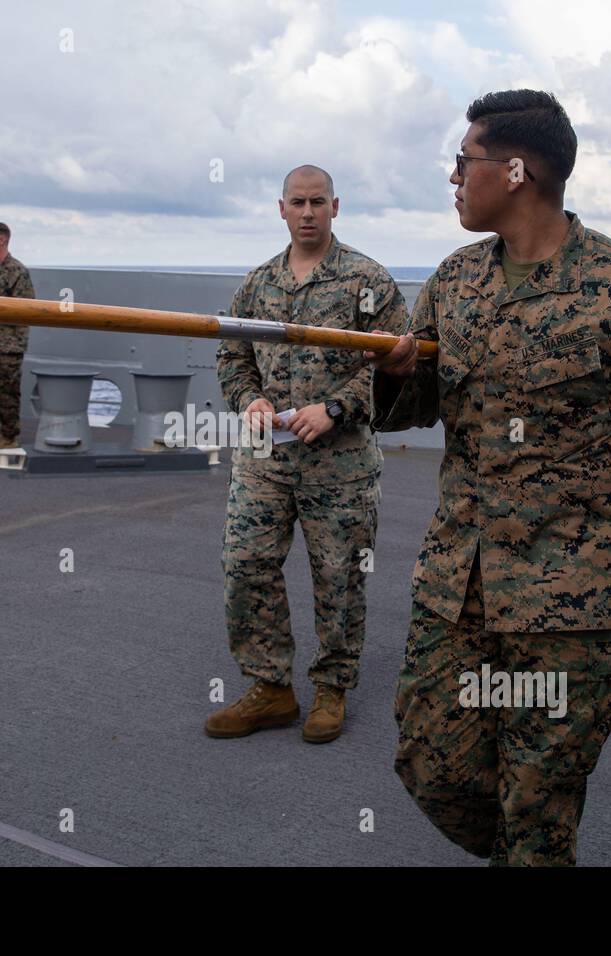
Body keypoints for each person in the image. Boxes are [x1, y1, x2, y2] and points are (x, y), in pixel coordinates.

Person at [369, 90, 611, 866]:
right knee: (432, 764)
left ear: (515, 171)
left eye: (464, 160)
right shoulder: (456, 282)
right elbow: (414, 406)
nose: (452, 175)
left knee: (539, 812)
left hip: (571, 606)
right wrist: (388, 373)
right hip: (457, 588)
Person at [205, 165, 407, 744]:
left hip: (339, 466)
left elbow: (398, 365)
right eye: (298, 202)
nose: (309, 212)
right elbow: (232, 355)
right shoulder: (257, 283)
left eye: (319, 201)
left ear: (336, 207)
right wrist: (252, 399)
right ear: (282, 208)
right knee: (246, 565)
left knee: (339, 577)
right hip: (265, 461)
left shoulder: (367, 280)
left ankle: (331, 688)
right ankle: (270, 687)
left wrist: (337, 408)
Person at [0, 221, 35, 452]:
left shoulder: (16, 271)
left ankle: (9, 437)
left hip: (7, 344)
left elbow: (25, 308)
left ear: (2, 240)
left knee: (6, 393)